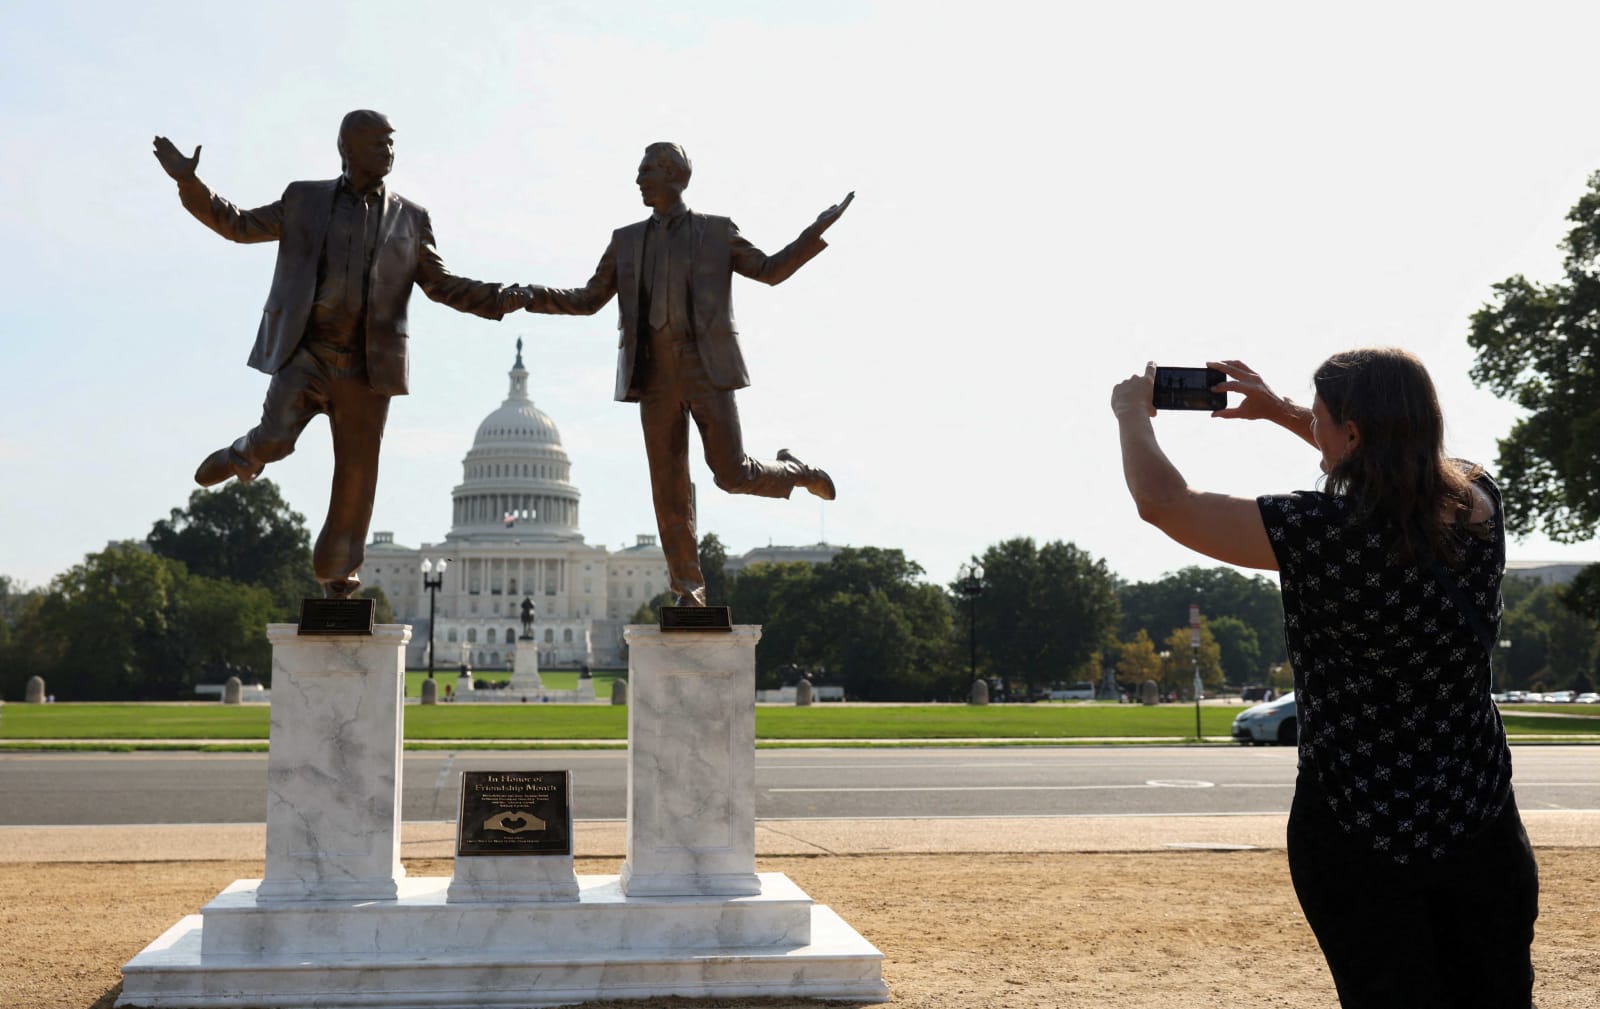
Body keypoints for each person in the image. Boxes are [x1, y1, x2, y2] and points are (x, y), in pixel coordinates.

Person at [1111, 350, 1538, 1007]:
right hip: (1477, 815)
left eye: (1320, 421)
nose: (1313, 432)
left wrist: (1130, 413)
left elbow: (1166, 503)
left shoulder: (1316, 530)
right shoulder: (1480, 505)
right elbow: (1403, 465)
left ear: (1353, 433)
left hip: (1355, 821)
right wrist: (1285, 411)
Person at [152, 111, 531, 598]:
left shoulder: (411, 218)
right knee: (276, 439)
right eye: (379, 143)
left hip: (367, 366)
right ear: (348, 148)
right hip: (307, 351)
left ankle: (337, 572)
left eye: (391, 143)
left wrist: (499, 297)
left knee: (356, 473)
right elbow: (239, 225)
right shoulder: (304, 199)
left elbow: (441, 284)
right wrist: (190, 183)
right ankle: (246, 453)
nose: (389, 152)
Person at [520, 142, 850, 605]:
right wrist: (531, 295)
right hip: (653, 375)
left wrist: (813, 233)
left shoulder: (716, 232)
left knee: (731, 474)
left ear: (675, 175)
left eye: (646, 172)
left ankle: (795, 471)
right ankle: (688, 586)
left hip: (706, 368)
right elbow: (588, 299)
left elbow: (769, 270)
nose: (638, 181)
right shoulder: (625, 240)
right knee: (668, 486)